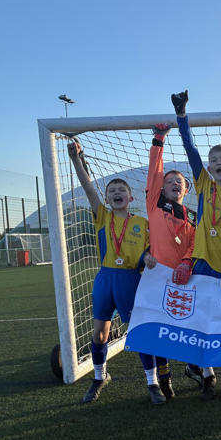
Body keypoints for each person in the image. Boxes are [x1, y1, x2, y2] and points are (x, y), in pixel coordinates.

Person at [66, 138, 164, 405]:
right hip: (105, 279)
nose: (117, 193)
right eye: (112, 191)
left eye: (121, 190)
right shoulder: (102, 216)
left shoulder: (142, 222)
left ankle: (152, 382)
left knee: (138, 332)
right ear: (107, 199)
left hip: (130, 280)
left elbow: (149, 250)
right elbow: (88, 188)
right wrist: (76, 159)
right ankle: (100, 377)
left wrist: (148, 256)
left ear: (130, 198)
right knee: (100, 333)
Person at [172, 90, 221, 400]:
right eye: (214, 160)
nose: (218, 163)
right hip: (204, 265)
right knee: (203, 322)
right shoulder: (204, 185)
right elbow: (190, 149)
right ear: (208, 167)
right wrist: (182, 117)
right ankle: (208, 375)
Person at [144, 124, 197, 399]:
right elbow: (154, 172)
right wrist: (159, 140)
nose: (175, 184)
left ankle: (195, 367)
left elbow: (194, 245)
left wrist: (186, 262)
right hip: (157, 279)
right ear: (161, 189)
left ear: (186, 190)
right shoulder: (155, 204)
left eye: (180, 182)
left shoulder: (193, 217)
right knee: (159, 334)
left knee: (189, 327)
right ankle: (164, 380)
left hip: (185, 279)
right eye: (170, 181)